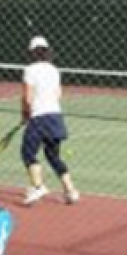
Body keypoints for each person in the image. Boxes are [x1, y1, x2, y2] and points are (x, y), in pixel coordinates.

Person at [20, 36, 80, 206]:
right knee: (53, 155)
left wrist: (25, 114)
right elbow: (58, 94)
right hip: (55, 116)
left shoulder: (30, 70)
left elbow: (27, 97)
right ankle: (71, 191)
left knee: (28, 154)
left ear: (31, 52)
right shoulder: (54, 70)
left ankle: (38, 187)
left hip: (39, 117)